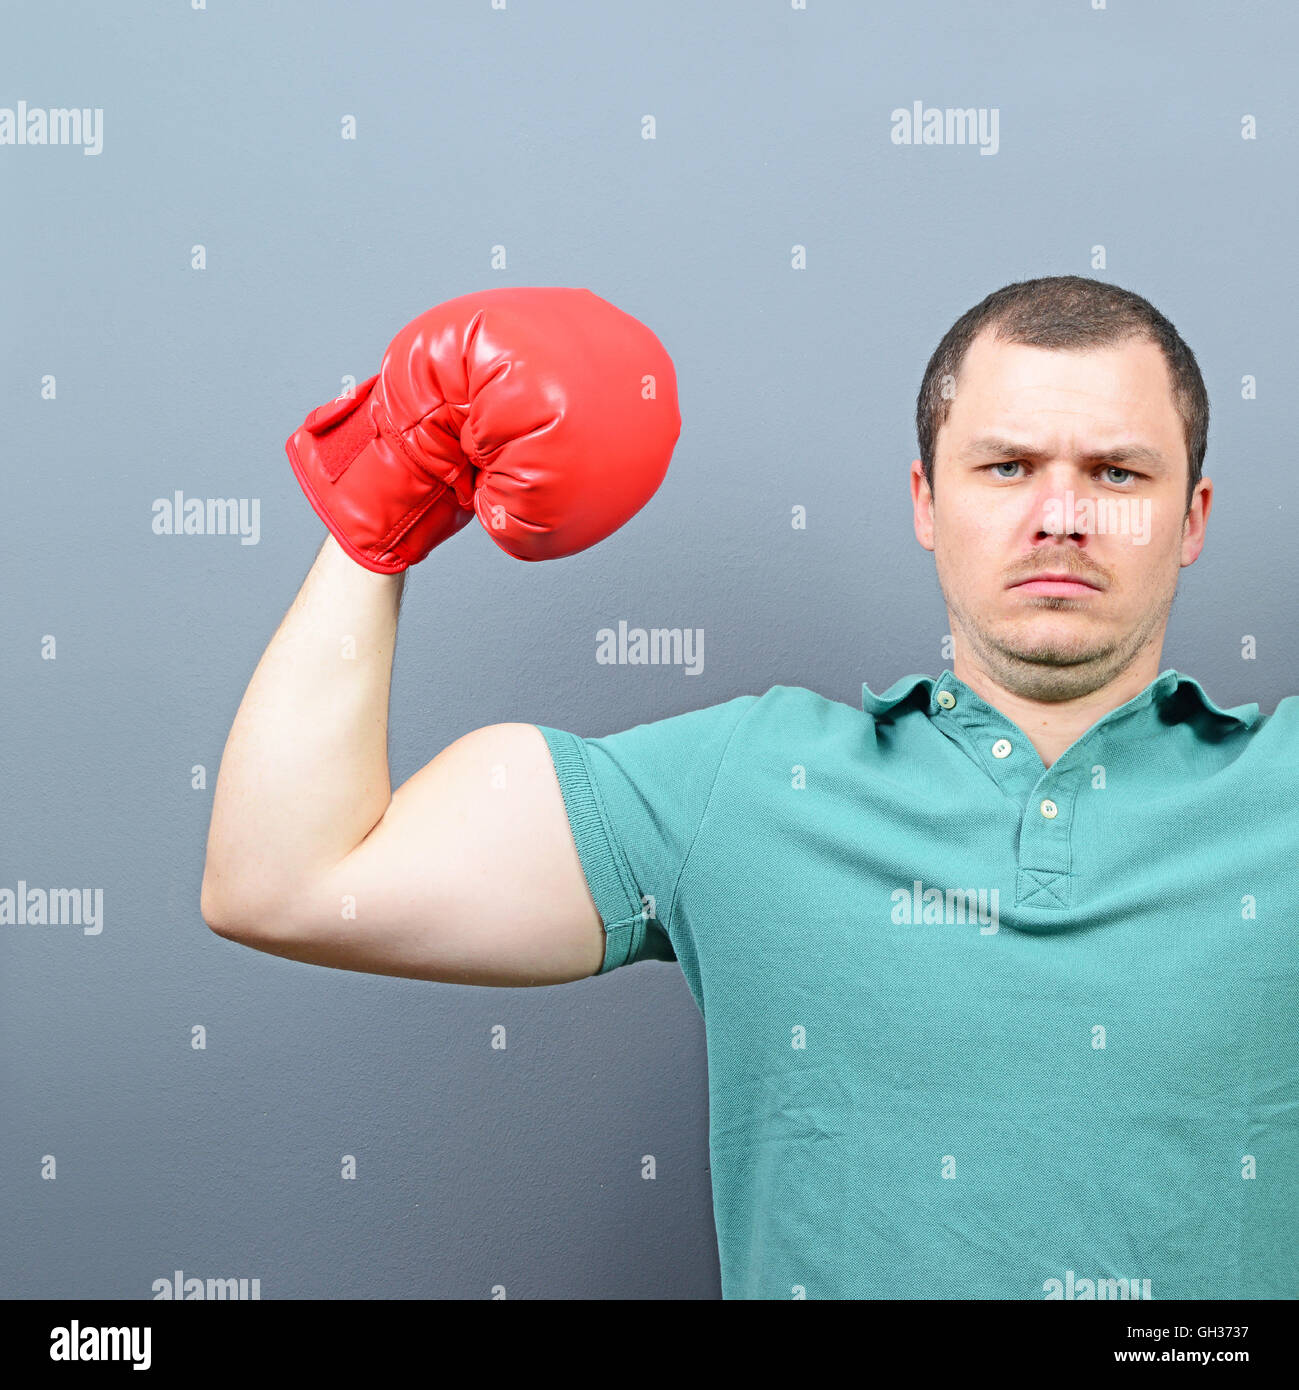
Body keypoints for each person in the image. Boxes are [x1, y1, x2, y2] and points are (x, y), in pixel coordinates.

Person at [201, 275, 1298, 1300]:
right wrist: (379, 499)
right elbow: (289, 880)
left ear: (1191, 517)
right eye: (1007, 467)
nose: (1062, 515)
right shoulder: (745, 783)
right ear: (926, 501)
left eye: (1118, 473)